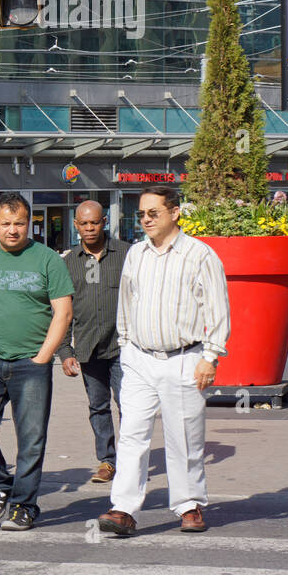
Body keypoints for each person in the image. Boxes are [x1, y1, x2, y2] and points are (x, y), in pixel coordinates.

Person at [97, 186, 230, 537]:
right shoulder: (136, 254)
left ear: (175, 213)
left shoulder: (199, 255)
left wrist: (210, 356)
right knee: (132, 435)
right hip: (139, 358)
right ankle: (123, 508)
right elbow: (125, 302)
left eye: (153, 213)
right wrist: (126, 345)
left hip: (183, 358)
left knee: (184, 436)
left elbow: (217, 309)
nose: (145, 219)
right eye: (141, 213)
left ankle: (188, 506)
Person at [0, 191, 74, 531]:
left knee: (31, 438)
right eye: (6, 224)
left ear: (29, 224)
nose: (13, 230)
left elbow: (63, 312)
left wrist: (43, 358)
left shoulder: (48, 259)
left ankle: (25, 504)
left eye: (20, 224)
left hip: (31, 365)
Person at [58, 200, 130, 485]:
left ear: (104, 222)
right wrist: (65, 351)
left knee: (128, 405)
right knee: (98, 406)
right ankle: (107, 461)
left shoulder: (126, 254)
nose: (90, 228)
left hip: (124, 347)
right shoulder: (68, 262)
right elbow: (63, 310)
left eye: (95, 222)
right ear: (76, 225)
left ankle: (131, 459)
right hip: (88, 349)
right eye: (84, 223)